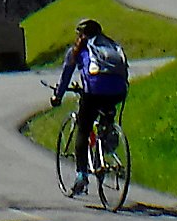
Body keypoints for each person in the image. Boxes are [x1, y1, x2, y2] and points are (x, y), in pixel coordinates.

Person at [50, 17, 129, 197]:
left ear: (80, 35)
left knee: (83, 130)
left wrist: (57, 96)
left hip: (93, 91)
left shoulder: (76, 51)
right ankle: (108, 145)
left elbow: (65, 78)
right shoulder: (110, 46)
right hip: (118, 91)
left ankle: (81, 175)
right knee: (106, 120)